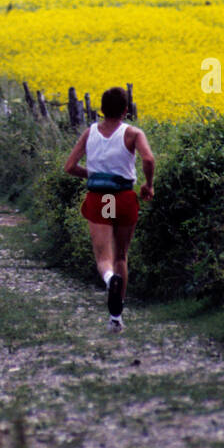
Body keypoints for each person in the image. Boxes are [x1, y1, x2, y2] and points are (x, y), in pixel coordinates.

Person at [64, 87, 155, 333]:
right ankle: (116, 316)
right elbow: (148, 159)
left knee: (104, 258)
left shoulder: (89, 132)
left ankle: (108, 280)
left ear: (101, 109)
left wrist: (93, 174)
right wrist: (148, 184)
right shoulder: (133, 133)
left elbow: (70, 166)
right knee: (121, 256)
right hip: (124, 197)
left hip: (99, 198)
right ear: (126, 110)